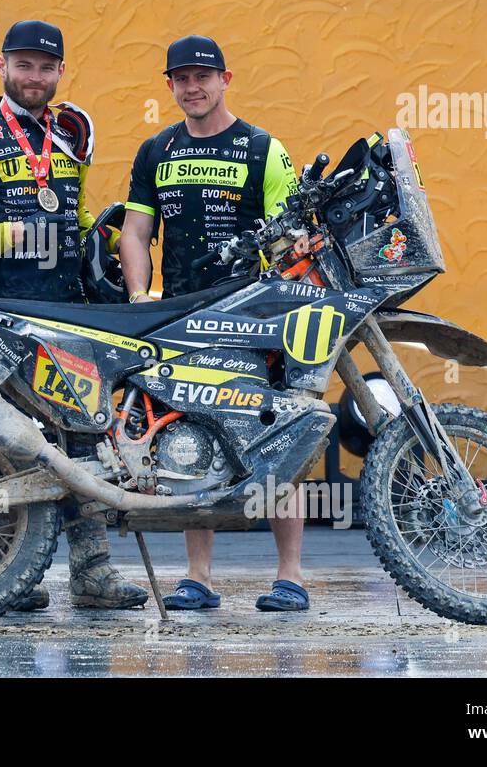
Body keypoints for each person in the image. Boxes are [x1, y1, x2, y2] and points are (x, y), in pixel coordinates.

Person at [0, 19, 149, 612]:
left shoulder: (70, 136)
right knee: (4, 441)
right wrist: (22, 236)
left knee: (82, 437)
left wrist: (97, 245)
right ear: (1, 66)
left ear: (60, 72)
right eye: (23, 65)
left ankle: (93, 572)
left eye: (46, 66)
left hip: (66, 316)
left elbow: (74, 217)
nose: (35, 76)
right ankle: (8, 571)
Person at [117, 34, 310, 612]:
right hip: (181, 314)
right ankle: (197, 578)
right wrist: (138, 298)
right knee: (187, 434)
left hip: (254, 318)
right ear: (169, 85)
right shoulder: (156, 150)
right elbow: (135, 232)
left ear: (226, 79)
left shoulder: (263, 149)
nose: (192, 87)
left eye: (203, 76)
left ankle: (292, 576)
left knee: (278, 439)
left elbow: (289, 238)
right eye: (181, 78)